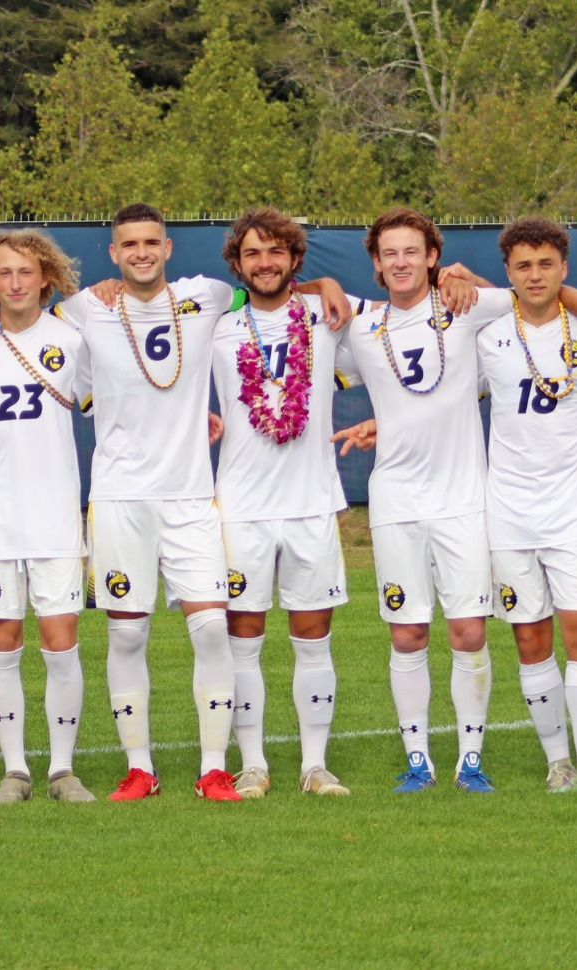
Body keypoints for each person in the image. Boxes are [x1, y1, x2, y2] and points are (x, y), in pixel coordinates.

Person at [38, 203, 346, 802]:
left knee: (211, 629)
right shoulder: (86, 307)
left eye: (151, 242)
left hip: (192, 497)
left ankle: (212, 768)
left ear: (169, 247)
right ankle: (140, 770)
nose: (141, 253)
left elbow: (272, 289)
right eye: (129, 244)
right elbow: (23, 318)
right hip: (120, 498)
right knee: (127, 635)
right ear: (113, 253)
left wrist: (324, 282)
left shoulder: (204, 297)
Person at [331, 207, 577, 794]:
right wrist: (322, 284)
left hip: (468, 501)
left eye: (412, 251)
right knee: (407, 633)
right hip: (395, 503)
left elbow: (538, 290)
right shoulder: (358, 329)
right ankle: (419, 761)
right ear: (376, 263)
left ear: (433, 258)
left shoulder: (472, 310)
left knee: (470, 632)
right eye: (389, 253)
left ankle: (473, 761)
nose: (401, 262)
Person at [209, 207, 361, 798]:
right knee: (242, 637)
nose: (264, 262)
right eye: (252, 253)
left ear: (295, 259)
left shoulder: (328, 315)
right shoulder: (217, 328)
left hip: (310, 504)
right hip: (241, 508)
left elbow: (405, 321)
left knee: (312, 636)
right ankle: (253, 764)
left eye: (276, 251)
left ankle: (314, 765)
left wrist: (330, 285)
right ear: (237, 263)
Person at [0, 229, 97, 804]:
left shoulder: (74, 339)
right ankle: (15, 770)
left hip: (56, 516)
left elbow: (113, 401)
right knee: (2, 641)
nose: (15, 283)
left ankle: (63, 770)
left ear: (46, 278)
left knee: (61, 643)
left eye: (26, 272)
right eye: (4, 273)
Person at [473, 217, 577, 796]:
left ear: (565, 269)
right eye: (523, 266)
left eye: (546, 264)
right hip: (507, 512)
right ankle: (557, 761)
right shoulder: (484, 336)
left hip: (576, 510)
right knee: (530, 640)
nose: (535, 275)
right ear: (507, 273)